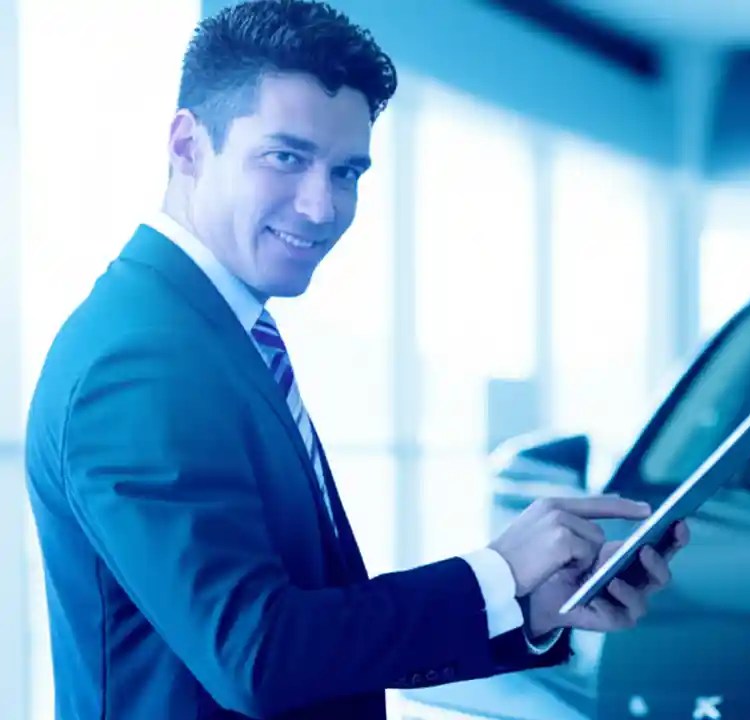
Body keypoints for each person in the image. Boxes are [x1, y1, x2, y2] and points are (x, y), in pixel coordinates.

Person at [23, 1, 689, 718]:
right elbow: (258, 654)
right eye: (286, 157)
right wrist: (495, 572)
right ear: (188, 145)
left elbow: (307, 624)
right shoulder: (141, 361)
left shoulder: (211, 333)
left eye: (347, 172)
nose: (321, 207)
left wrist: (526, 606)